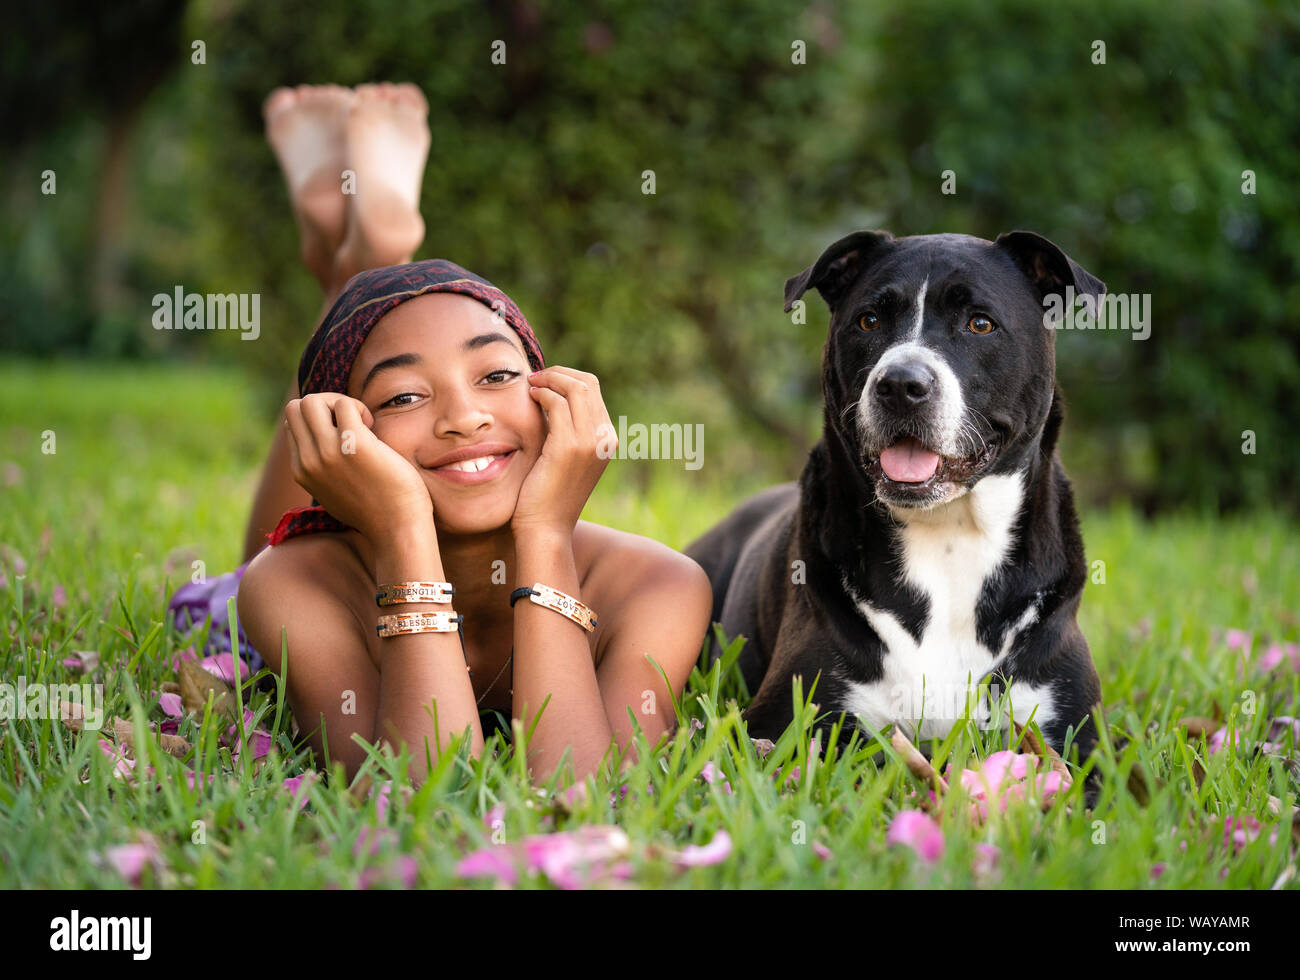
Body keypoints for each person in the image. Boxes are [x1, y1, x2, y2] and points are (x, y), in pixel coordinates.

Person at [170, 83, 712, 785]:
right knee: (254, 562)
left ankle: (359, 265)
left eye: (495, 376)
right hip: (322, 563)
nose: (464, 416)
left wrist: (546, 534)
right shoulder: (292, 586)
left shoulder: (662, 585)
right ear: (352, 434)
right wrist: (401, 530)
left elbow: (578, 795)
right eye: (403, 394)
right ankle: (354, 270)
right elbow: (427, 796)